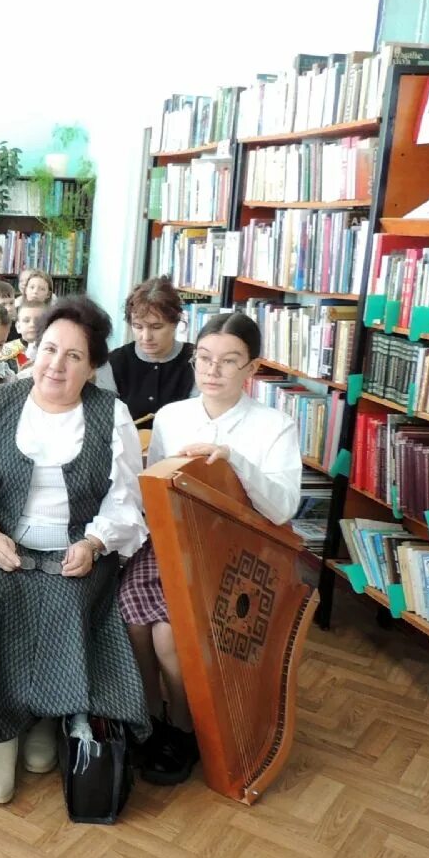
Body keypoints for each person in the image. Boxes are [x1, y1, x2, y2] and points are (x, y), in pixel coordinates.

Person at [0, 297, 151, 804]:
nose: (56, 364)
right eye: (49, 349)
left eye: (73, 356)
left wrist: (93, 543)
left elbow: (125, 498)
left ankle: (46, 716)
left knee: (67, 597)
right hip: (3, 542)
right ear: (32, 351)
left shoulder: (111, 416)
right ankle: (1, 734)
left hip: (80, 547)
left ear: (92, 368)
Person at [117, 311, 300, 785]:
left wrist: (235, 462)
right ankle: (151, 717)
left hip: (239, 556)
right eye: (204, 358)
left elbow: (281, 508)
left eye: (229, 361)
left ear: (251, 369)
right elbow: (154, 492)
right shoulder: (174, 416)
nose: (213, 370)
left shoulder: (274, 425)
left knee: (167, 636)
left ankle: (184, 726)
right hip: (175, 543)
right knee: (133, 614)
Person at [98, 277, 197, 424]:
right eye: (138, 327)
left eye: (156, 327)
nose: (146, 337)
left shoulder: (197, 360)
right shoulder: (113, 362)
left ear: (175, 323)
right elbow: (104, 421)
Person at [1, 298, 47, 369]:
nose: (32, 324)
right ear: (18, 327)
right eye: (26, 321)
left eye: (38, 320)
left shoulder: (55, 351)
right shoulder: (4, 352)